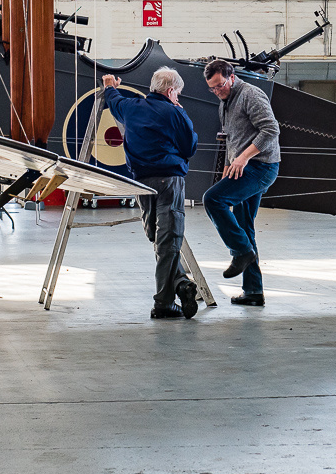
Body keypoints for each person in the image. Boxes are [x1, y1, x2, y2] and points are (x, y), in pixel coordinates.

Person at [102, 68, 199, 319]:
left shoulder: (131, 107)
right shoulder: (175, 112)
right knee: (168, 238)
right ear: (170, 91)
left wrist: (110, 85)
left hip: (142, 183)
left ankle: (180, 284)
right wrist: (179, 112)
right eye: (177, 93)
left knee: (156, 236)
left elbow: (112, 100)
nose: (179, 97)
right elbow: (189, 147)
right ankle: (164, 303)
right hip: (169, 180)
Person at [201, 59, 280, 307]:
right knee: (245, 226)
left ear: (232, 77)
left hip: (262, 167)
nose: (217, 91)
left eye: (220, 85)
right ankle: (254, 292)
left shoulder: (251, 95)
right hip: (242, 167)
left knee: (212, 199)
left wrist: (244, 158)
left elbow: (271, 130)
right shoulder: (224, 102)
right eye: (212, 88)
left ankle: (241, 252)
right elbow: (231, 139)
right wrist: (228, 167)